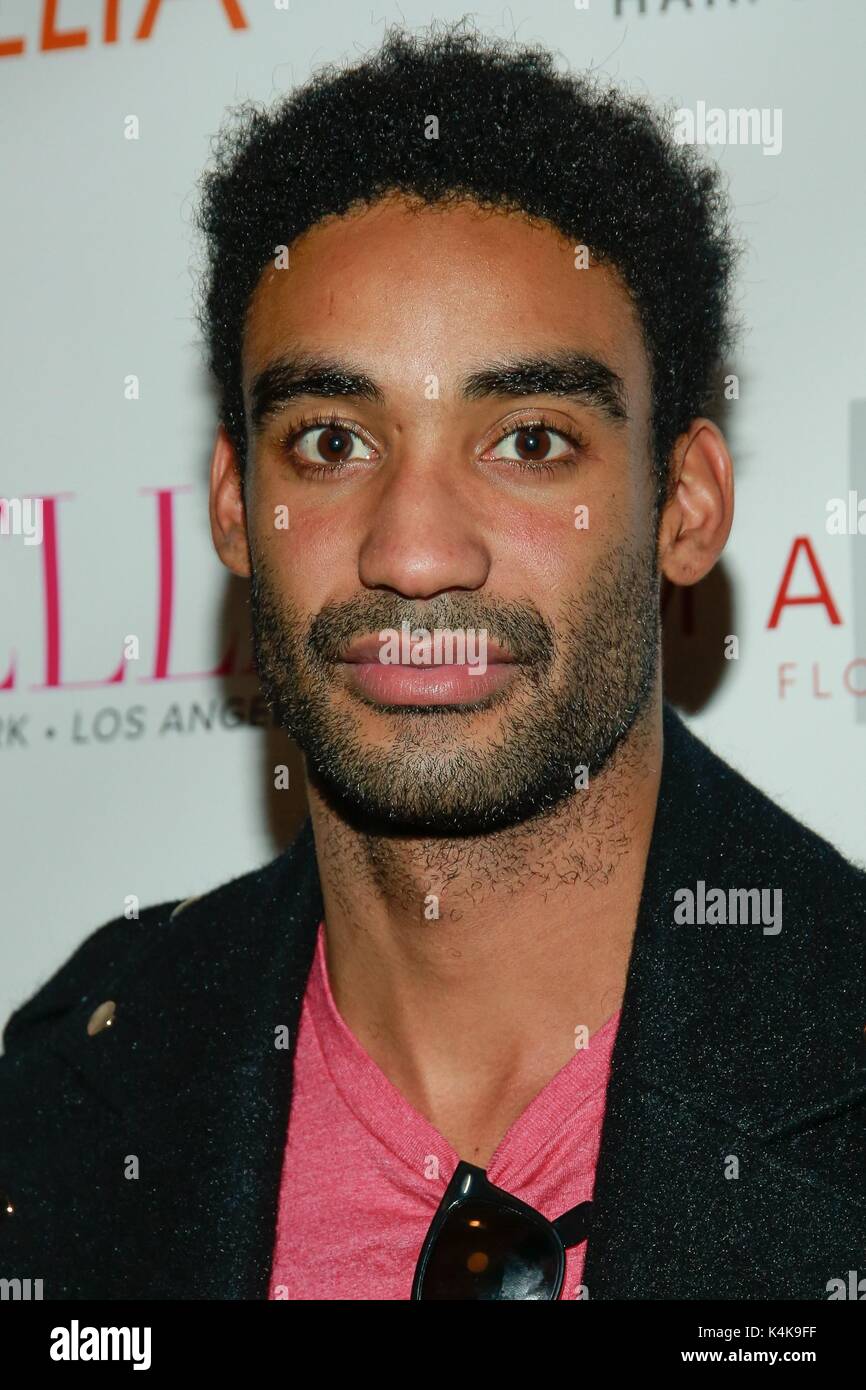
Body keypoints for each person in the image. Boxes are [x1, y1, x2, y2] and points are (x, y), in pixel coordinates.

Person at [1, 24, 863, 1301]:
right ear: (237, 507)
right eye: (333, 442)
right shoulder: (74, 1090)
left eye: (526, 440)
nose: (412, 554)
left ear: (683, 505)